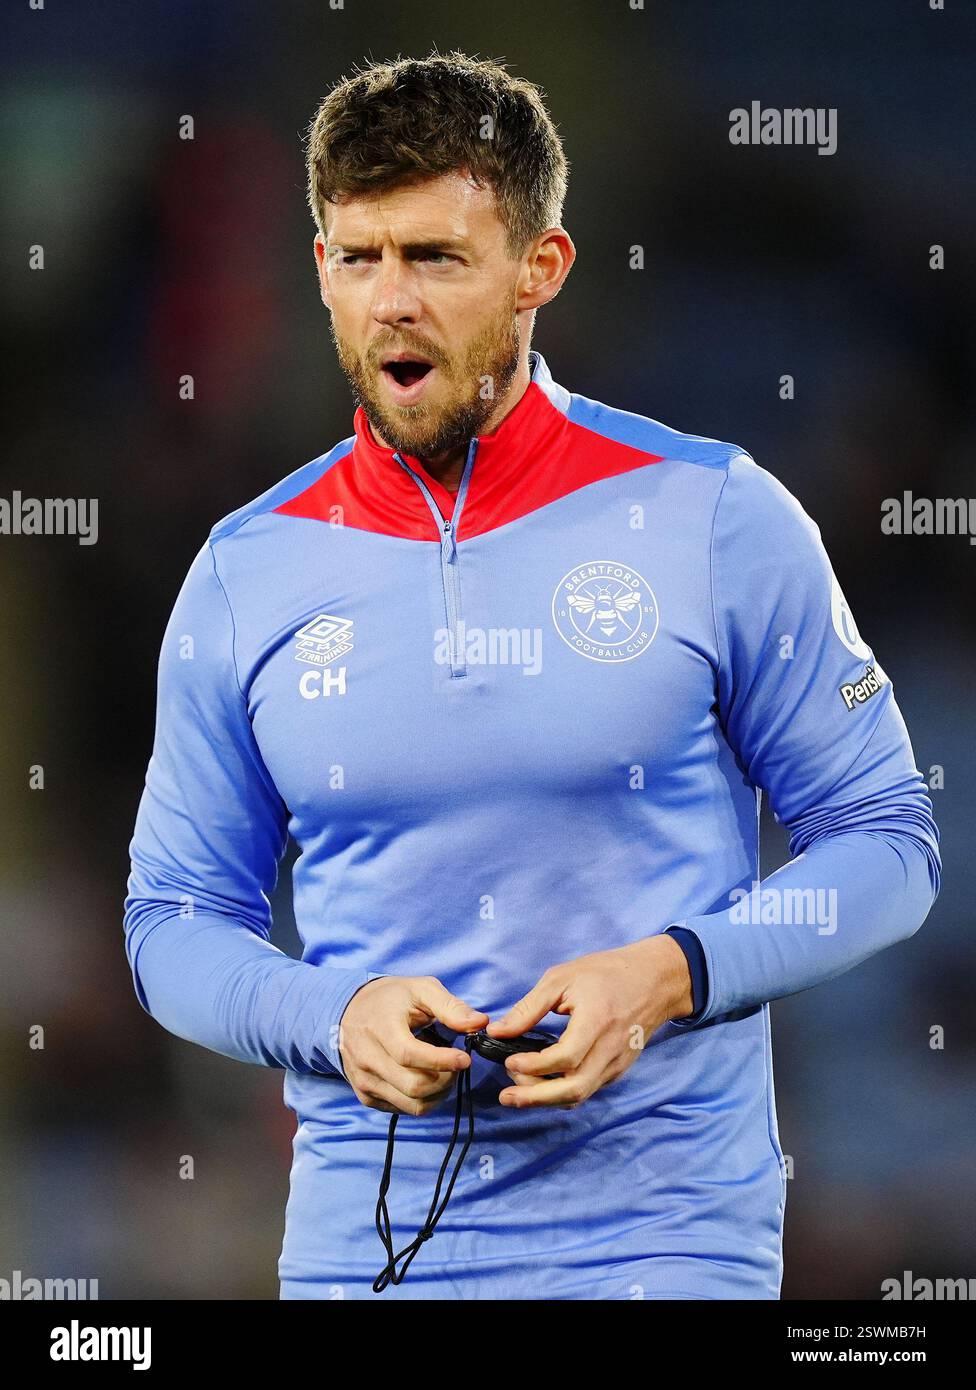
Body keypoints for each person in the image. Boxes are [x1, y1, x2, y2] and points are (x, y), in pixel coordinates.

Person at [123, 51, 941, 1300]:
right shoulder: (247, 571)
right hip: (366, 1254)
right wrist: (333, 1019)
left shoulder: (713, 515)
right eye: (358, 257)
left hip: (665, 1244)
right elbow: (174, 921)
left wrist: (670, 972)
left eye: (436, 258)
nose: (391, 301)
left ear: (537, 271)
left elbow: (889, 842)